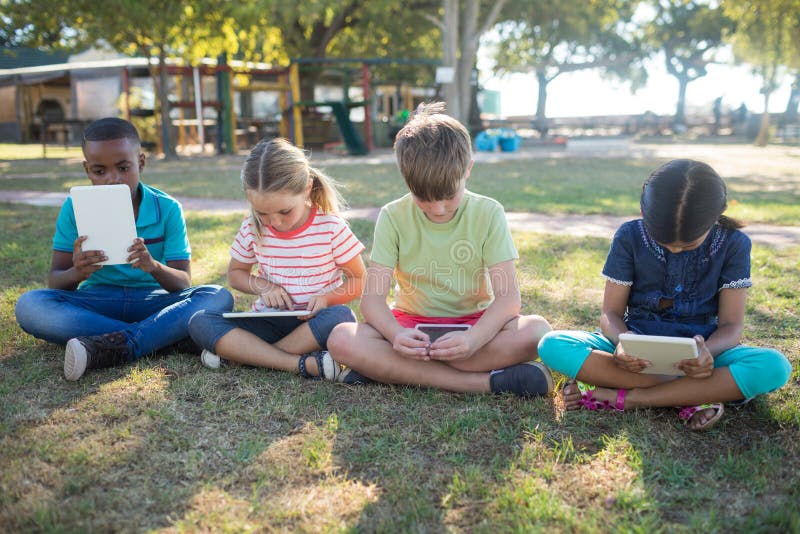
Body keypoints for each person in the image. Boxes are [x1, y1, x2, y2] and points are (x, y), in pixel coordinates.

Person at [537, 159, 792, 430]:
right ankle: (694, 394)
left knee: (774, 366)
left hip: (703, 356)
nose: (675, 251)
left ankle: (632, 397)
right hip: (635, 351)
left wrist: (707, 354)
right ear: (643, 212)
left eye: (689, 244)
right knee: (553, 344)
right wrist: (623, 342)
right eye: (664, 243)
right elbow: (610, 314)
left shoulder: (734, 244)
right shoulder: (629, 236)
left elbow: (731, 327)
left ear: (717, 215)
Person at [327, 102, 554, 397]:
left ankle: (389, 371)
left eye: (448, 195)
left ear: (468, 169)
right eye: (423, 197)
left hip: (474, 327)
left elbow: (508, 299)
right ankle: (482, 383)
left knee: (536, 332)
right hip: (411, 330)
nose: (438, 208)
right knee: (341, 338)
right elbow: (372, 302)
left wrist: (473, 339)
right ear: (406, 179)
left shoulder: (488, 212)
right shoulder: (393, 215)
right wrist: (396, 336)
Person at [14, 117, 234, 381]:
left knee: (218, 295)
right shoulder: (74, 208)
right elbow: (56, 282)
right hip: (97, 303)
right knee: (30, 304)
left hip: (154, 302)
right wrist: (77, 272)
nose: (112, 179)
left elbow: (183, 283)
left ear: (140, 162)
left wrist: (153, 266)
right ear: (87, 170)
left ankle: (120, 343)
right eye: (99, 171)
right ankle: (168, 340)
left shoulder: (168, 208)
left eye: (122, 167)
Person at [187, 138, 366, 380]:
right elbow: (236, 274)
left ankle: (247, 357)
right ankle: (299, 364)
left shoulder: (330, 227)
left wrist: (327, 298)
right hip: (268, 320)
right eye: (262, 213)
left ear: (306, 189)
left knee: (341, 316)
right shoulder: (252, 228)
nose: (275, 223)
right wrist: (263, 286)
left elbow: (359, 279)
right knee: (200, 321)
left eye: (285, 211)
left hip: (314, 324)